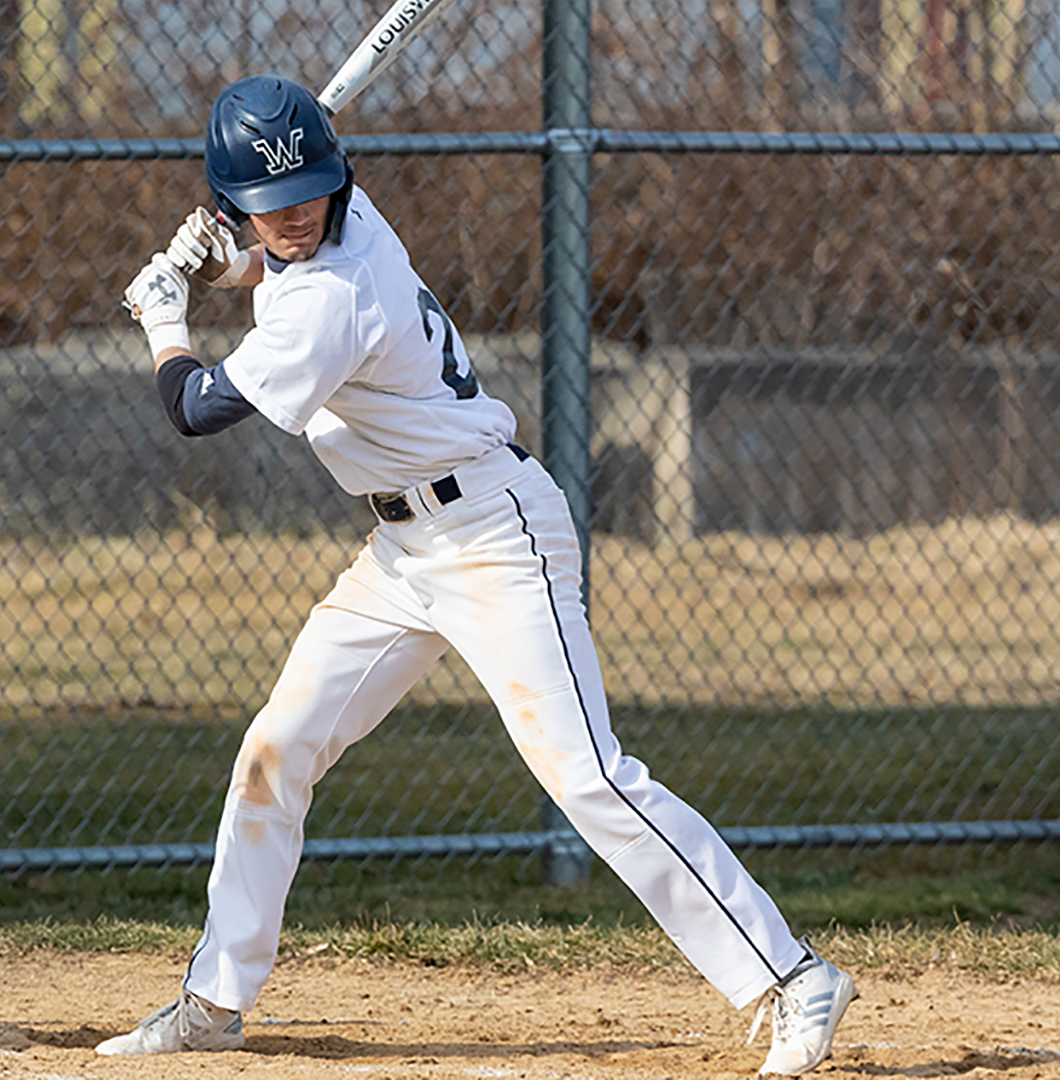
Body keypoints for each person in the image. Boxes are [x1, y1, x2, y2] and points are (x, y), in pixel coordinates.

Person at [109, 76, 855, 1076]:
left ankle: (791, 974)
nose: (294, 216)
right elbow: (280, 257)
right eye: (268, 203)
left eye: (307, 197)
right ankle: (214, 1000)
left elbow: (196, 408)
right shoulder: (340, 224)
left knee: (589, 779)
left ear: (340, 184)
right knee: (274, 751)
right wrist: (234, 263)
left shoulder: (332, 298)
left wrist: (166, 312)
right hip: (400, 553)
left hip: (495, 539)